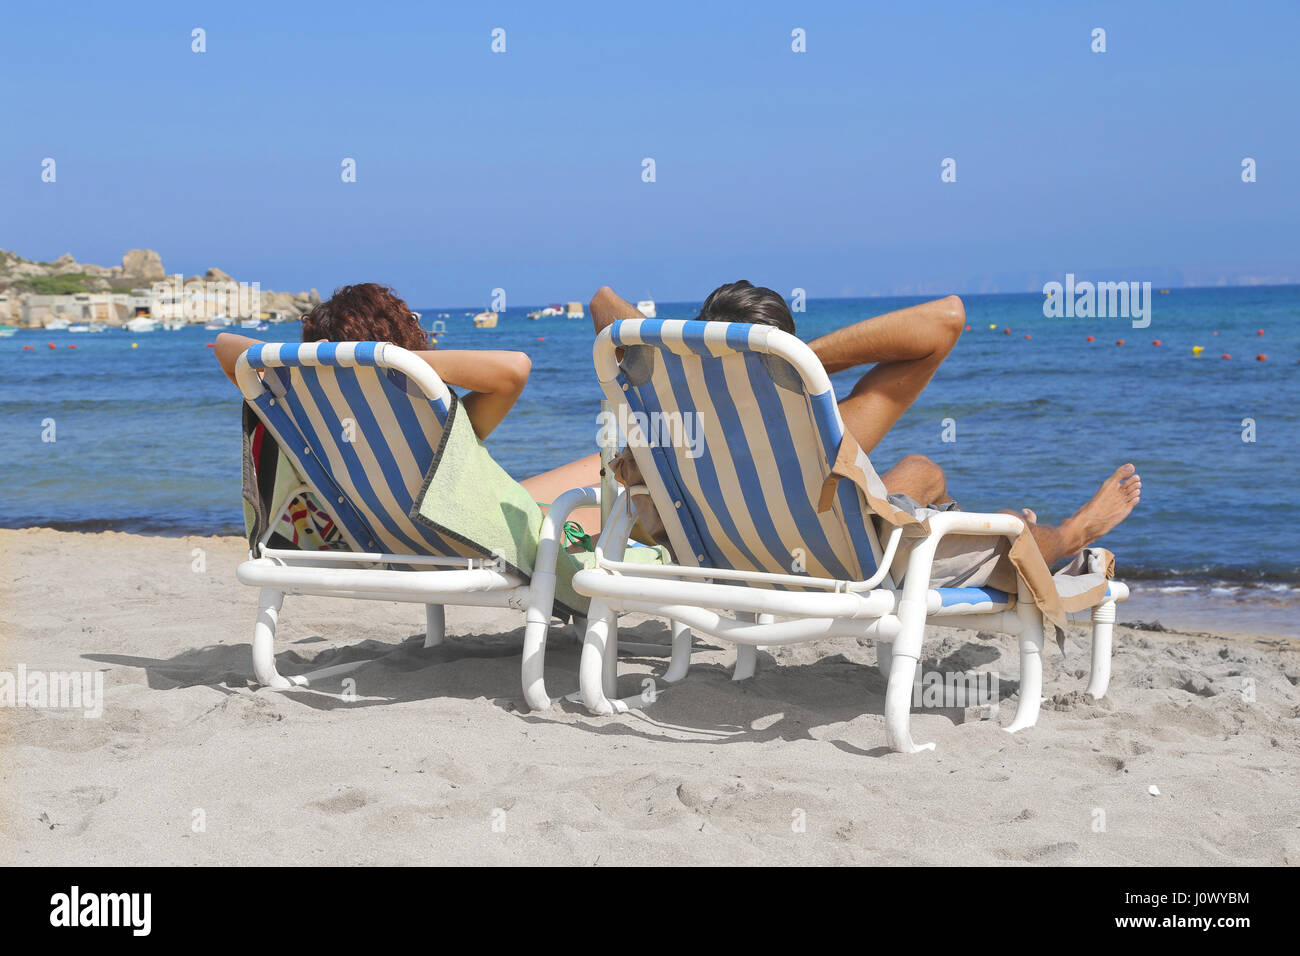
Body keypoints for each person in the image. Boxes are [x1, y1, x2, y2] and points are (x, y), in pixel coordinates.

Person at [579, 281, 1141, 566]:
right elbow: (946, 319)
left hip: (723, 557)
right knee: (989, 524)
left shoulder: (677, 426)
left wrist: (703, 363)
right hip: (852, 563)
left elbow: (603, 302)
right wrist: (792, 364)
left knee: (921, 470)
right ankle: (1072, 534)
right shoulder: (828, 429)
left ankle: (951, 510)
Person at [214, 282, 602, 526]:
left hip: (384, 532)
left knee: (604, 467)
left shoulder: (305, 419)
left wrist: (330, 363)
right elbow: (516, 368)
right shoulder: (431, 421)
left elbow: (226, 346)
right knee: (627, 489)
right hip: (460, 535)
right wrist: (387, 360)